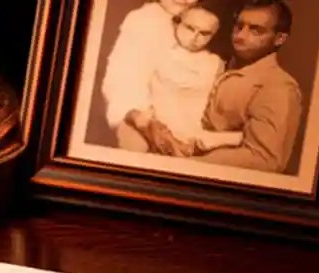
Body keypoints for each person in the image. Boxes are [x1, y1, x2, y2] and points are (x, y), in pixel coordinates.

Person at [194, 0, 303, 171]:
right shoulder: (216, 65)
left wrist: (188, 164)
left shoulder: (277, 86)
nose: (241, 36)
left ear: (279, 38)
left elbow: (263, 159)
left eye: (255, 30)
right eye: (239, 26)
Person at [101, 0, 200, 152]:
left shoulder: (190, 22)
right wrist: (142, 119)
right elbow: (121, 80)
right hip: (139, 117)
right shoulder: (144, 20)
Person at [146, 2, 245, 153]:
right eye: (190, 28)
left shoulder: (215, 63)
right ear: (177, 23)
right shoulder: (158, 52)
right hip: (161, 128)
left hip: (197, 134)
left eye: (204, 33)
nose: (195, 37)